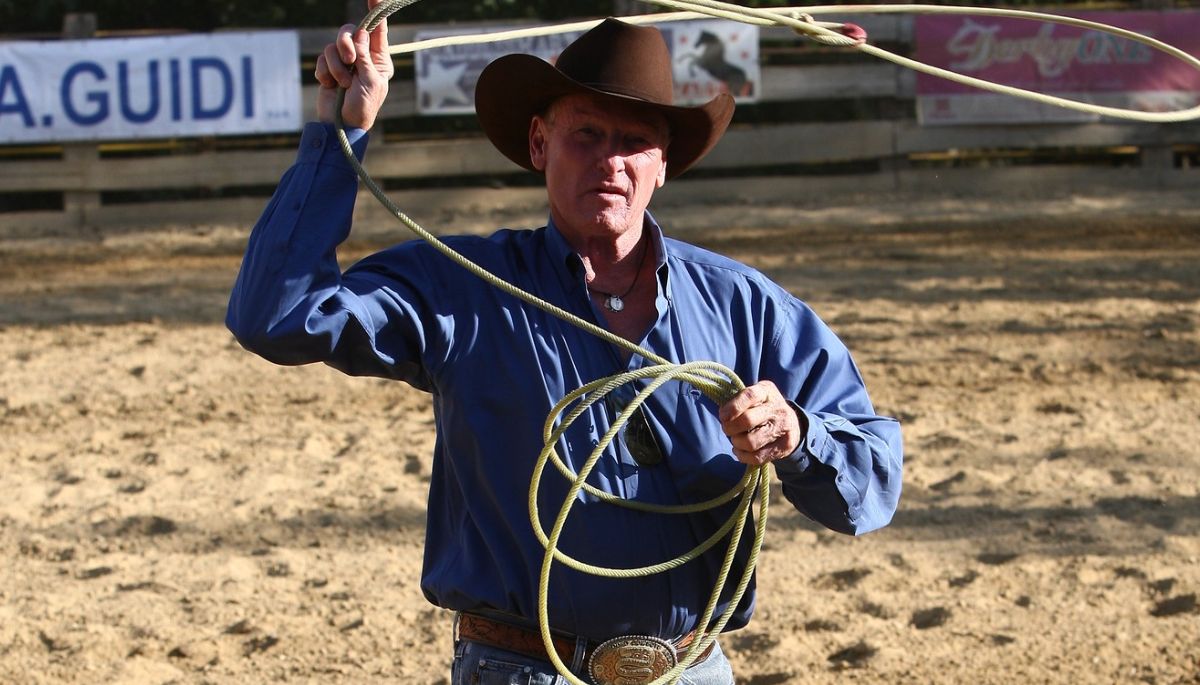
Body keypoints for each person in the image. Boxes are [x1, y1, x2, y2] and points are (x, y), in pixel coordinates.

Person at [226, 4, 902, 683]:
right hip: (519, 668)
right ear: (540, 144)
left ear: (662, 164)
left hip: (689, 666)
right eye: (586, 134)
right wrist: (342, 130)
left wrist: (797, 433)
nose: (610, 160)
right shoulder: (465, 286)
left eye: (635, 140)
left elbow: (872, 477)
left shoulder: (741, 304)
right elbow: (277, 315)